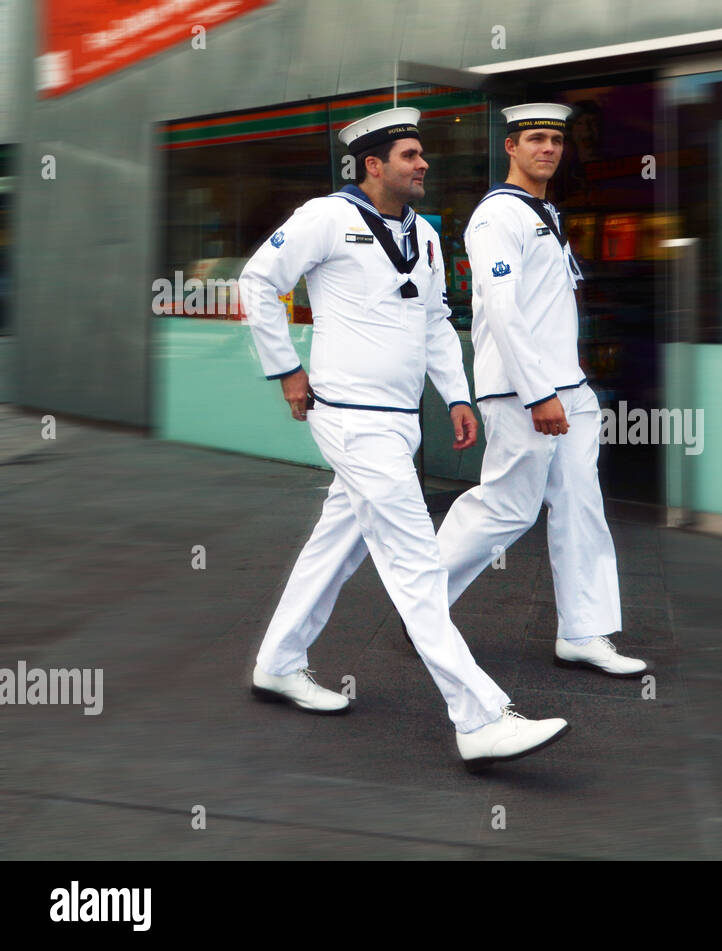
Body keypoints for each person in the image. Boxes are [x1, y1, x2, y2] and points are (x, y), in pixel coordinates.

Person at [238, 106, 569, 770]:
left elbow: (436, 321)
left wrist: (456, 395)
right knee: (416, 561)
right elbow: (257, 281)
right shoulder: (325, 217)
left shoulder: (423, 234)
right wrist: (287, 370)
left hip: (397, 420)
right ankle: (477, 716)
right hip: (350, 418)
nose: (424, 165)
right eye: (412, 155)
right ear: (373, 165)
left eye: (422, 155)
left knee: (336, 545)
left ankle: (278, 662)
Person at [434, 103, 646, 678]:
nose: (548, 148)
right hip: (524, 392)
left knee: (582, 507)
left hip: (568, 387)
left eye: (555, 139)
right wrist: (538, 392)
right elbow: (502, 311)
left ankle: (584, 632)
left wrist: (567, 387)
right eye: (535, 139)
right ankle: (422, 605)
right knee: (506, 507)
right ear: (511, 147)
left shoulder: (544, 211)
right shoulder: (496, 216)